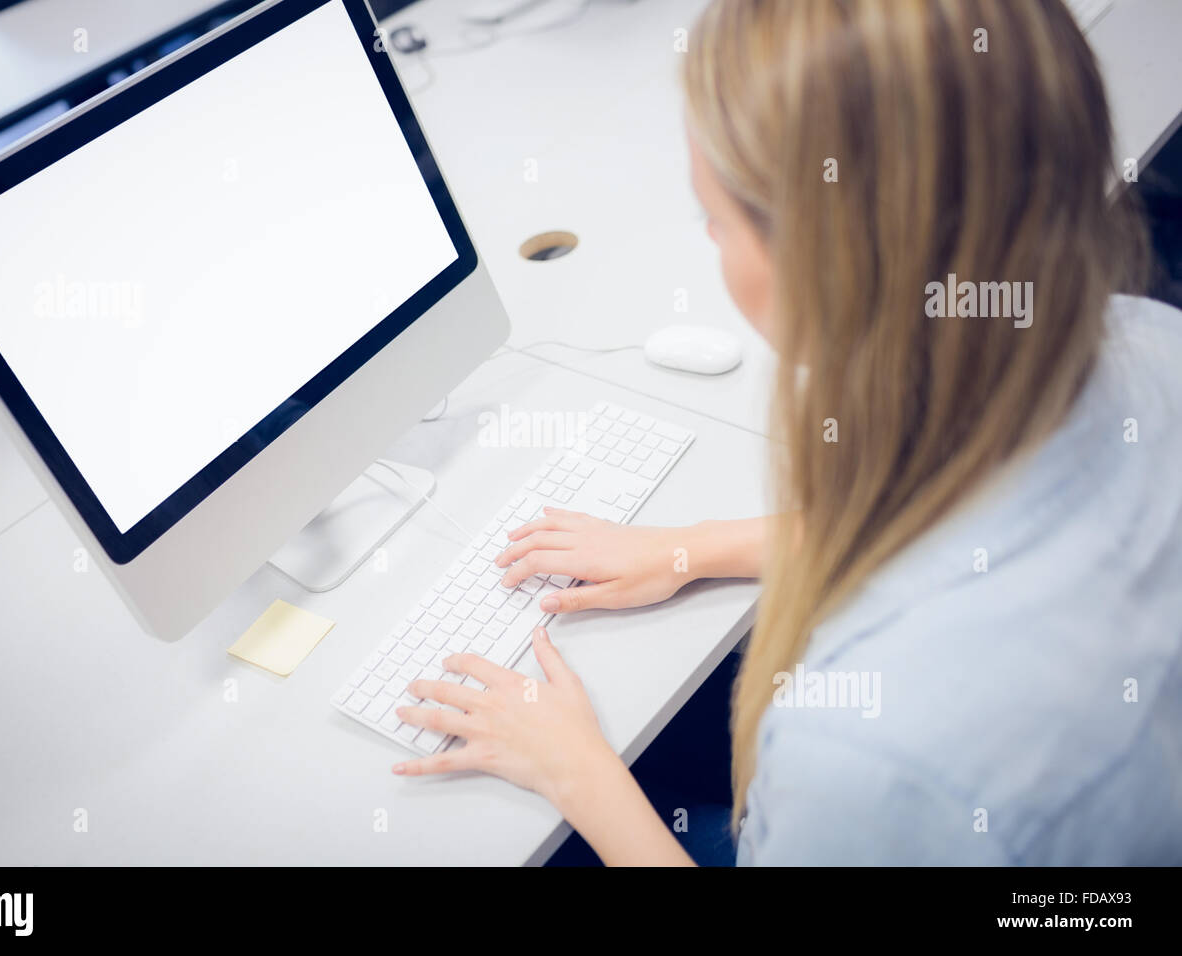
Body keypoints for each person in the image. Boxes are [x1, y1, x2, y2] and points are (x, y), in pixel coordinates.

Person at [393, 0, 1182, 865]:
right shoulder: (1144, 339)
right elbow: (970, 525)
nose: (708, 240)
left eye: (717, 219)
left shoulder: (874, 755)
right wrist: (692, 548)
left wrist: (576, 770)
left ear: (820, 267)